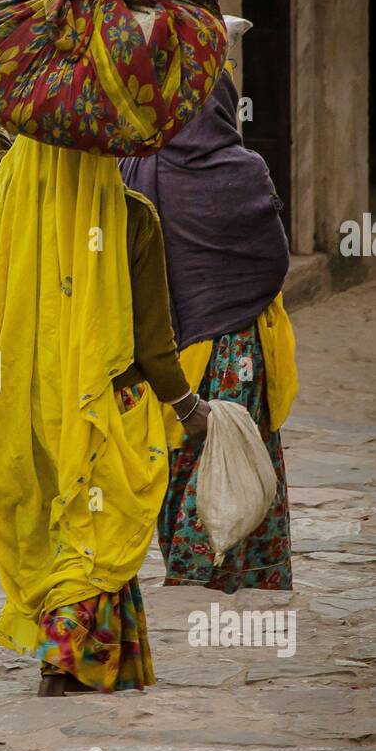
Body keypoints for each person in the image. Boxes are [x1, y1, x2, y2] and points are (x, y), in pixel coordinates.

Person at [0, 89, 210, 696]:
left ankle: (65, 652)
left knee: (49, 517)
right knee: (93, 530)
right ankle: (63, 658)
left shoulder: (14, 186)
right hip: (106, 405)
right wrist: (187, 407)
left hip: (29, 398)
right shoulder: (133, 216)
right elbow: (153, 345)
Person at [120, 52, 296, 591]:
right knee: (237, 448)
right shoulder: (243, 171)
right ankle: (238, 572)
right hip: (236, 349)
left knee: (180, 456)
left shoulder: (131, 166)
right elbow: (273, 260)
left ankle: (187, 565)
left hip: (164, 349)